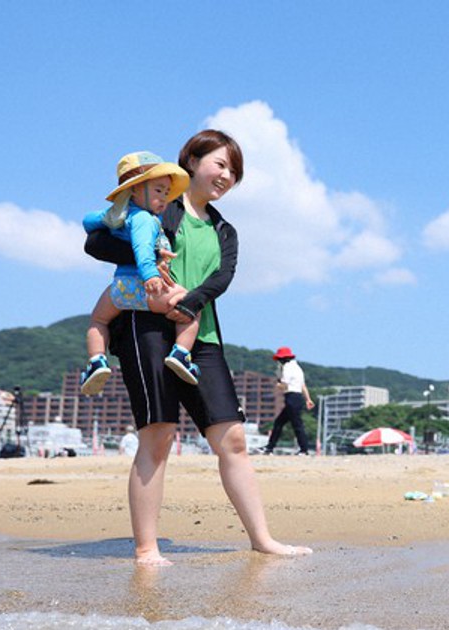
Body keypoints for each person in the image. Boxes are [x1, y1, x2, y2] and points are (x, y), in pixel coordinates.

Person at [85, 129, 311, 565]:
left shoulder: (225, 230)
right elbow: (95, 241)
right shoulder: (159, 206)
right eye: (220, 164)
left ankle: (262, 538)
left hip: (198, 336)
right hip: (146, 327)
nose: (227, 175)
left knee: (234, 440)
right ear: (191, 161)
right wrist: (146, 257)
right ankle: (146, 549)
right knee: (159, 436)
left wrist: (187, 304)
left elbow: (221, 279)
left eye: (234, 171)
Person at [80, 152, 200, 396]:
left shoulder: (121, 217)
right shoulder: (145, 219)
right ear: (134, 190)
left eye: (166, 192)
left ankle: (96, 361)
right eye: (158, 190)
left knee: (98, 320)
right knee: (190, 305)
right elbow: (142, 251)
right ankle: (181, 353)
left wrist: (108, 215)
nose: (164, 198)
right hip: (144, 286)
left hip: (118, 288)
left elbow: (87, 221)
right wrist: (151, 276)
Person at [264, 346, 314, 455]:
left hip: (291, 397)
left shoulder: (286, 367)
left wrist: (277, 384)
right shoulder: (298, 368)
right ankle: (269, 448)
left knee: (297, 425)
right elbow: (303, 386)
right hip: (298, 397)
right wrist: (308, 399)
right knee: (280, 423)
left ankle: (304, 450)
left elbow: (284, 385)